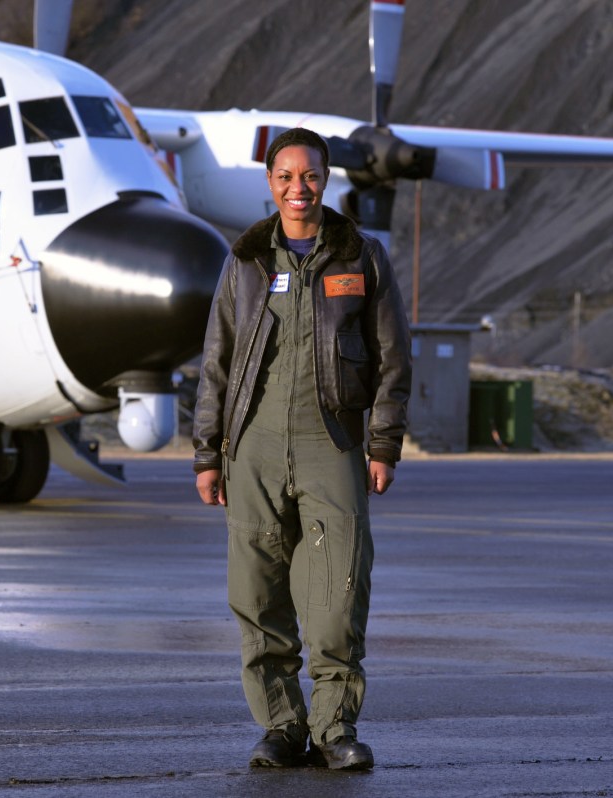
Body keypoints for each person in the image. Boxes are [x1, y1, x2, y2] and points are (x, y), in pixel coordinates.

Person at [192, 127, 412, 770]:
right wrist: (208, 453)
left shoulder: (361, 257)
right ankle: (282, 728)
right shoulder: (246, 261)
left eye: (310, 176)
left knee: (339, 590)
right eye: (286, 177)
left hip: (333, 438)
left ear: (326, 179)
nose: (299, 188)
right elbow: (216, 362)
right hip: (252, 443)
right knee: (256, 593)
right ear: (270, 183)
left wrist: (384, 443)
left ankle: (335, 728)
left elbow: (393, 359)